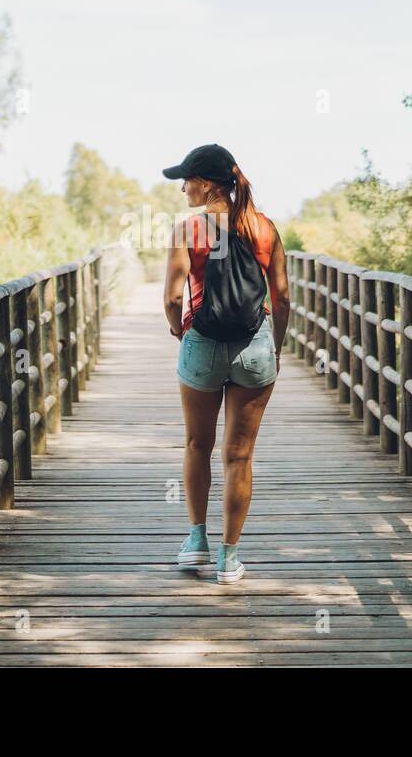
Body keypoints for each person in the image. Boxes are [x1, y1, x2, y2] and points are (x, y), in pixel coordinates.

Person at [161, 144, 290, 584]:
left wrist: (182, 332)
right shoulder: (265, 228)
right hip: (254, 347)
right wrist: (275, 345)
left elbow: (174, 298)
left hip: (203, 343)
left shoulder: (189, 229)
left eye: (187, 179)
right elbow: (283, 296)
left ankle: (196, 540)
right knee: (239, 454)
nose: (182, 188)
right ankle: (228, 557)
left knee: (198, 444)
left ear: (208, 183)